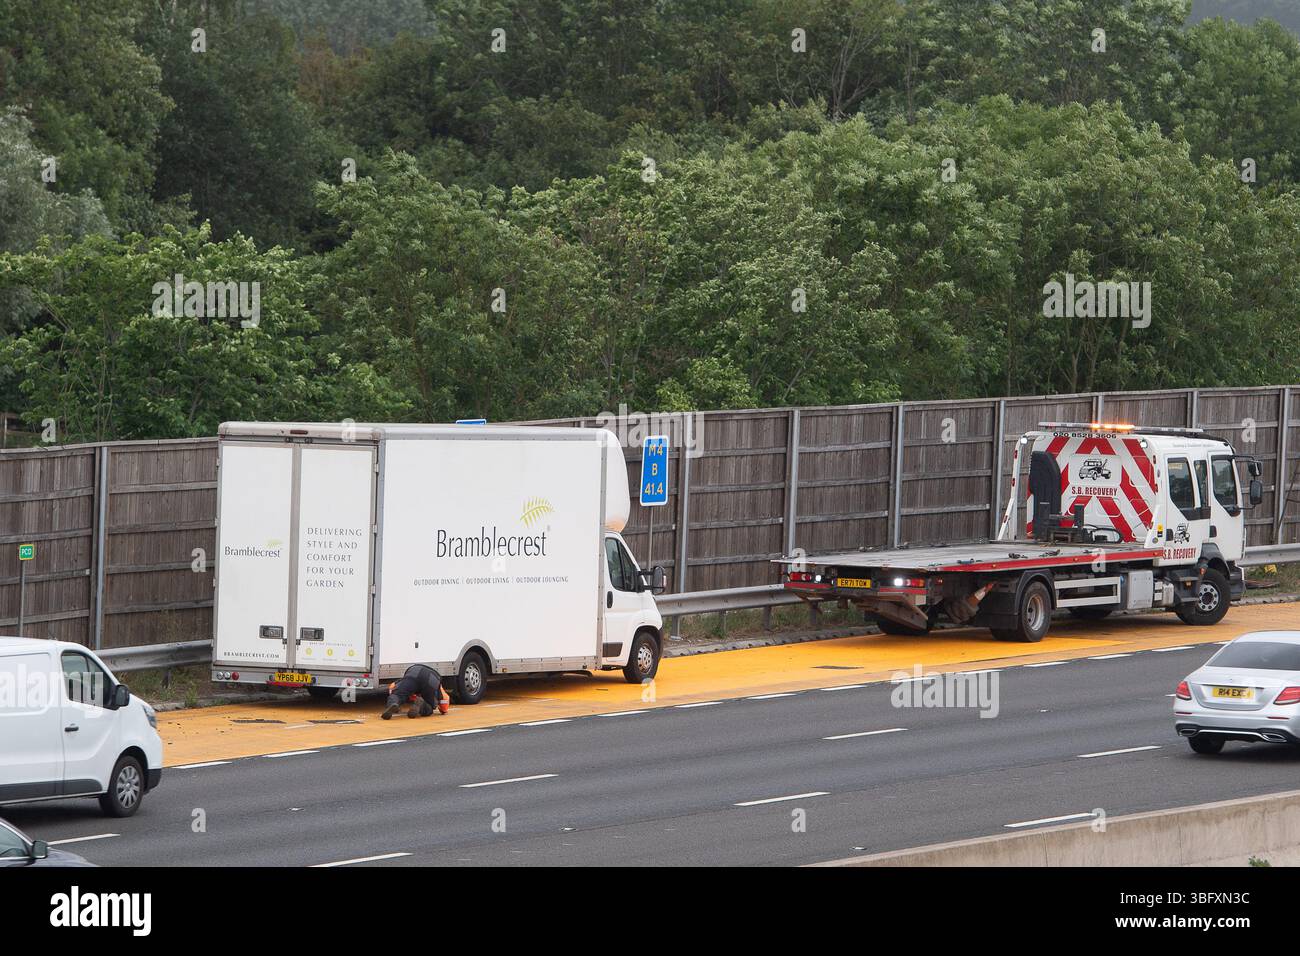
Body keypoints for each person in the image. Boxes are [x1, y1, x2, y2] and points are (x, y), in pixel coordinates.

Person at [382, 664, 451, 719]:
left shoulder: (402, 679)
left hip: (413, 671)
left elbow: (392, 687)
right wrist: (442, 710)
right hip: (432, 679)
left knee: (397, 694)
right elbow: (445, 701)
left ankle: (393, 703)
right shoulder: (439, 685)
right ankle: (422, 705)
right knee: (429, 708)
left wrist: (395, 698)